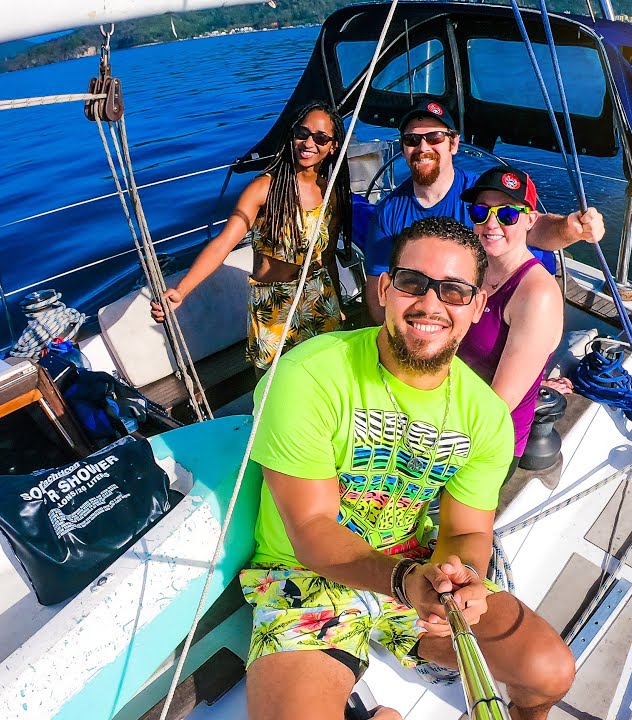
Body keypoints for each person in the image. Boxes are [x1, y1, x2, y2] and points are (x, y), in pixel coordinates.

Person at [241, 217, 575, 720]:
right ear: (385, 288)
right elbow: (311, 527)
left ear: (478, 305)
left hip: (420, 567)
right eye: (412, 283)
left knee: (550, 673)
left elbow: (465, 529)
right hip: (309, 573)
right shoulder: (307, 376)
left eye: (454, 290)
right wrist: (403, 581)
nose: (430, 304)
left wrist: (463, 582)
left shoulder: (484, 415)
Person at [363, 99, 605, 324]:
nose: (423, 147)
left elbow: (534, 228)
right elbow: (377, 296)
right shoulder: (388, 212)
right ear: (403, 147)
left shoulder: (483, 194)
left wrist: (571, 228)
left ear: (454, 143)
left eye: (435, 137)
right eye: (412, 140)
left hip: (484, 308)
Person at [151, 101, 351, 373]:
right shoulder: (263, 189)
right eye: (302, 134)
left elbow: (326, 259)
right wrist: (181, 290)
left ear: (333, 146)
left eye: (320, 138)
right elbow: (224, 243)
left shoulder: (331, 194)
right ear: (291, 136)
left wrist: (337, 303)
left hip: (319, 298)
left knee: (327, 380)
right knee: (271, 389)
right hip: (273, 305)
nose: (308, 143)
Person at [457, 166, 563, 471]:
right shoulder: (473, 267)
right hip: (442, 412)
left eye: (507, 215)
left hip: (485, 445)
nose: (491, 224)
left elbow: (497, 406)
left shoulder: (536, 294)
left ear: (530, 220)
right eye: (480, 212)